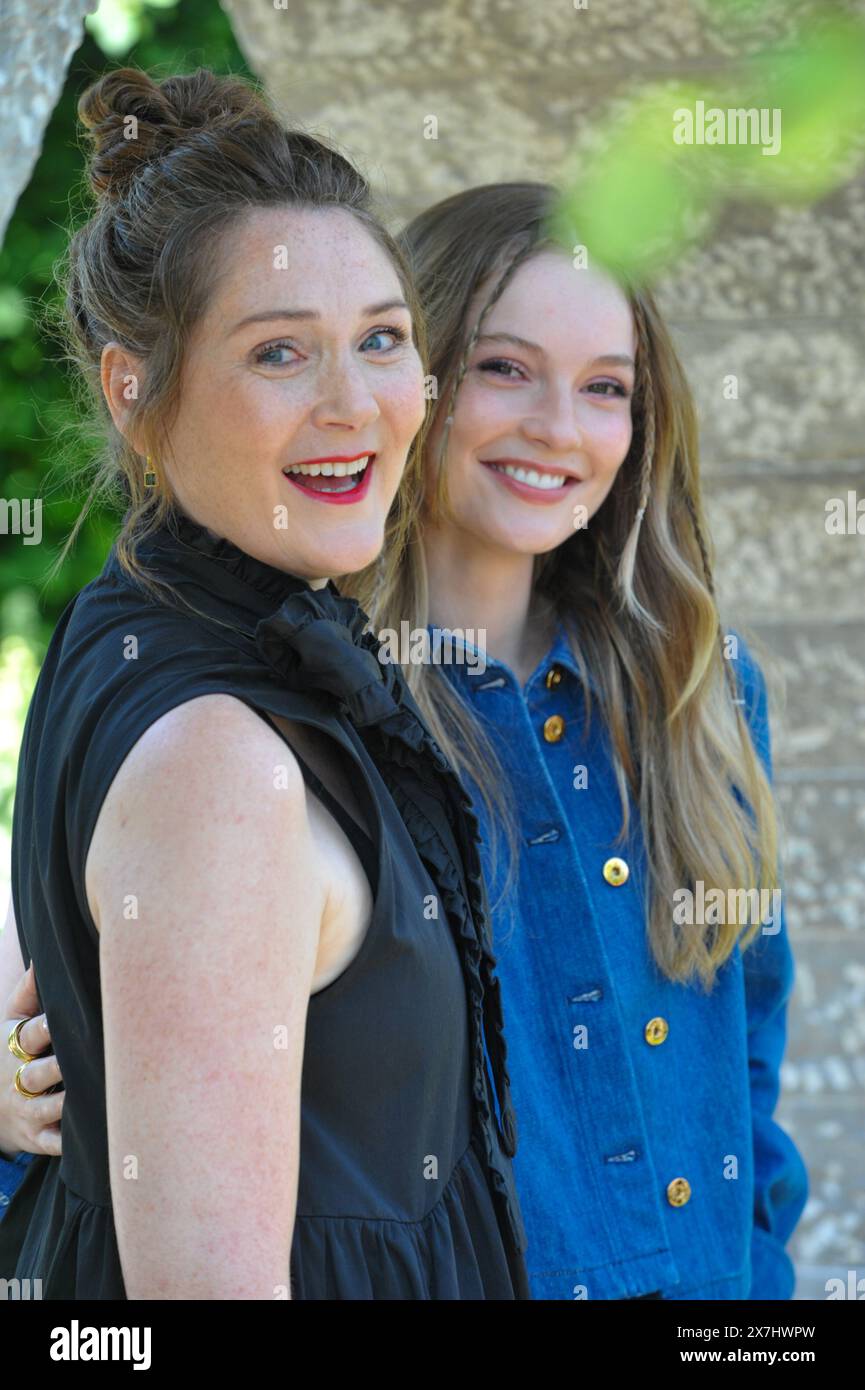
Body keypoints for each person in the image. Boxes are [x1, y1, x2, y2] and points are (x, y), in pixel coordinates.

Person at [0, 70, 530, 1300]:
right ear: (136, 392)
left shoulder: (147, 623)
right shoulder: (221, 763)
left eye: (382, 341)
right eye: (280, 352)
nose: (357, 407)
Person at [344, 181, 809, 1300]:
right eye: (504, 368)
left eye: (605, 389)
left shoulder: (700, 690)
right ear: (417, 377)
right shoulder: (320, 711)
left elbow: (745, 1059)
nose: (559, 429)